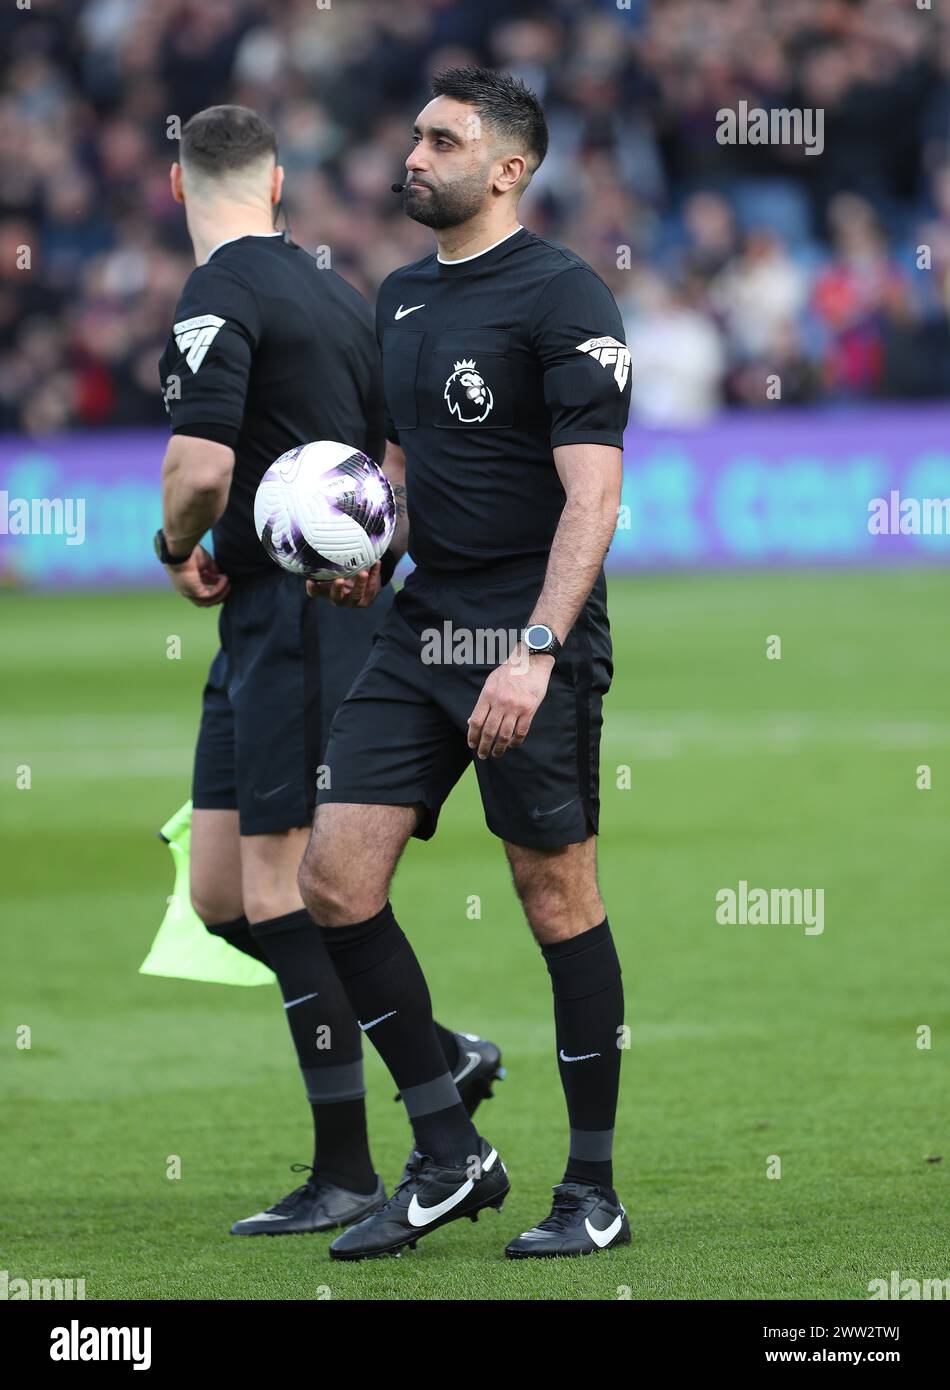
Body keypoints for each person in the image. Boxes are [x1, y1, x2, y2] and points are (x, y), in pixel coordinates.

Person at [297, 68, 631, 1260]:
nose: (414, 153)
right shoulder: (396, 297)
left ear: (505, 170)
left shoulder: (564, 293)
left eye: (442, 139)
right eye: (415, 134)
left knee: (556, 896)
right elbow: (403, 460)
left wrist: (534, 651)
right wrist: (363, 545)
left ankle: (590, 1189)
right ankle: (449, 1151)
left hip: (524, 630)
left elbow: (593, 496)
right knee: (333, 879)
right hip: (419, 621)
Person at [156, 103, 502, 1238]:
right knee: (219, 896)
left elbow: (199, 468)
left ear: (177, 188)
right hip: (272, 615)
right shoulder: (336, 292)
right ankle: (441, 1048)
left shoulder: (217, 293)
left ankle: (349, 1166)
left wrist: (175, 544)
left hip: (298, 621)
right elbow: (378, 465)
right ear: (275, 184)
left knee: (281, 888)